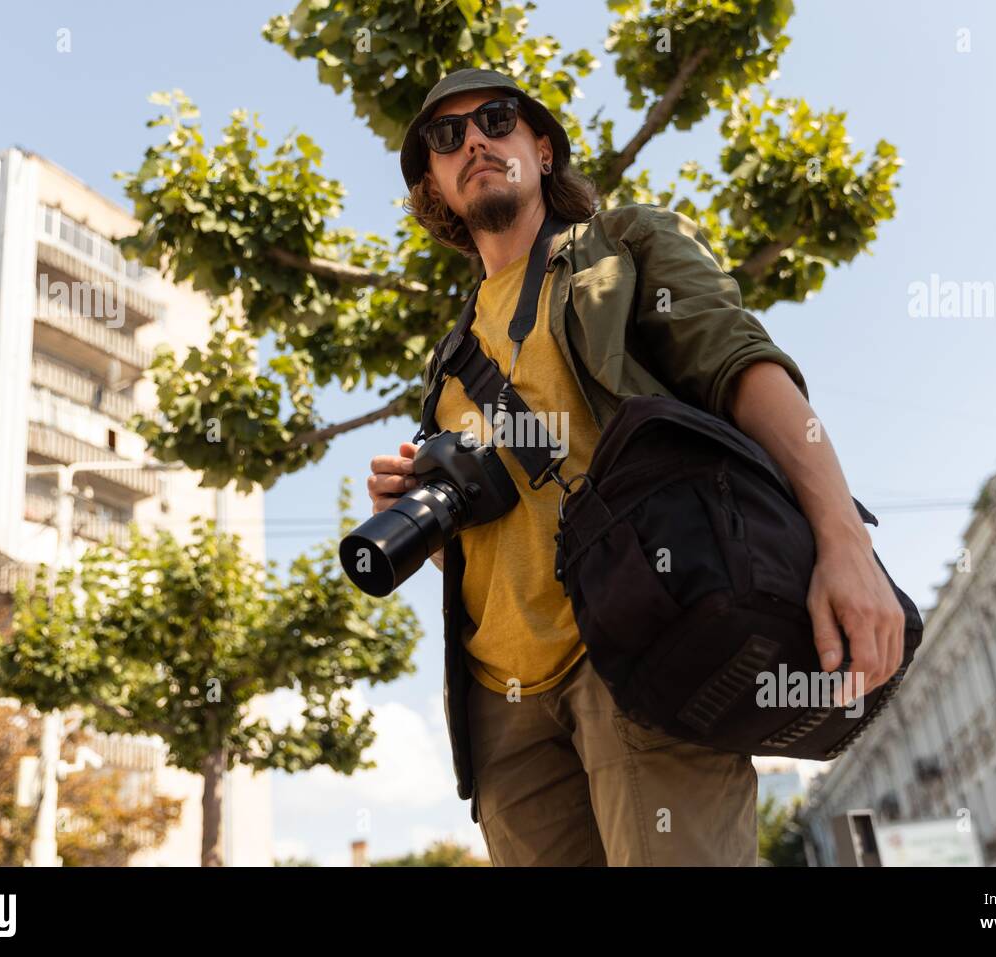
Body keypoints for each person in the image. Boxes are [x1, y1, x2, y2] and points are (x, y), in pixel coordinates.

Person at [366, 68, 904, 866]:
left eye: (497, 119)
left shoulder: (623, 247)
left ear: (541, 149)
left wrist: (845, 544)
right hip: (502, 714)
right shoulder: (447, 365)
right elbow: (494, 546)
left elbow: (749, 371)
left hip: (639, 654)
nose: (473, 139)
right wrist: (424, 514)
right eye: (446, 138)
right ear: (436, 188)